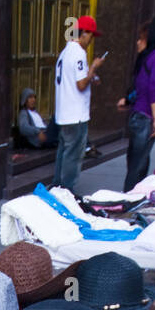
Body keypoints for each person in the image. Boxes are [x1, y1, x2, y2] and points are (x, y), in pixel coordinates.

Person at [53, 14, 106, 192]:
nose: (91, 40)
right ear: (83, 33)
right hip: (75, 116)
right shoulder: (79, 53)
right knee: (73, 156)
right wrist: (94, 67)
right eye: (91, 35)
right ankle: (67, 193)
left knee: (63, 153)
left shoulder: (65, 52)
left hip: (64, 114)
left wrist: (92, 76)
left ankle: (57, 188)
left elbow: (77, 79)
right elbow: (81, 84)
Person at [118, 15, 155, 191]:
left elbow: (141, 87)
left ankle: (131, 198)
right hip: (145, 118)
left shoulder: (147, 59)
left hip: (138, 116)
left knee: (137, 163)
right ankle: (128, 201)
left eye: (140, 39)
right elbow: (153, 87)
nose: (137, 43)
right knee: (137, 166)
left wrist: (127, 100)